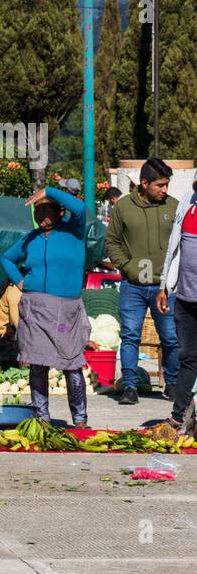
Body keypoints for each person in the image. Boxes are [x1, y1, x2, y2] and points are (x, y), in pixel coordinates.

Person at [1, 186, 90, 426]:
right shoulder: (30, 239)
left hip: (66, 310)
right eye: (37, 212)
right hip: (35, 309)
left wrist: (49, 191)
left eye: (46, 211)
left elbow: (80, 208)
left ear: (60, 212)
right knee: (37, 363)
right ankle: (42, 418)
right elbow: (6, 258)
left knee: (71, 364)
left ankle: (80, 419)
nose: (41, 217)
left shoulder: (75, 232)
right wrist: (20, 281)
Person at [105, 158, 178, 405]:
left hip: (165, 288)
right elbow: (111, 242)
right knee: (130, 336)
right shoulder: (123, 207)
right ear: (144, 183)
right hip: (132, 286)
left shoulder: (175, 207)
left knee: (170, 337)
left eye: (167, 184)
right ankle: (129, 387)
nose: (165, 190)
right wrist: (126, 266)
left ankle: (173, 385)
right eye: (160, 185)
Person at [158, 178, 197, 430]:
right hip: (185, 298)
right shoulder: (187, 203)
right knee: (188, 359)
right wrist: (164, 286)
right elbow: (174, 248)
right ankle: (177, 416)